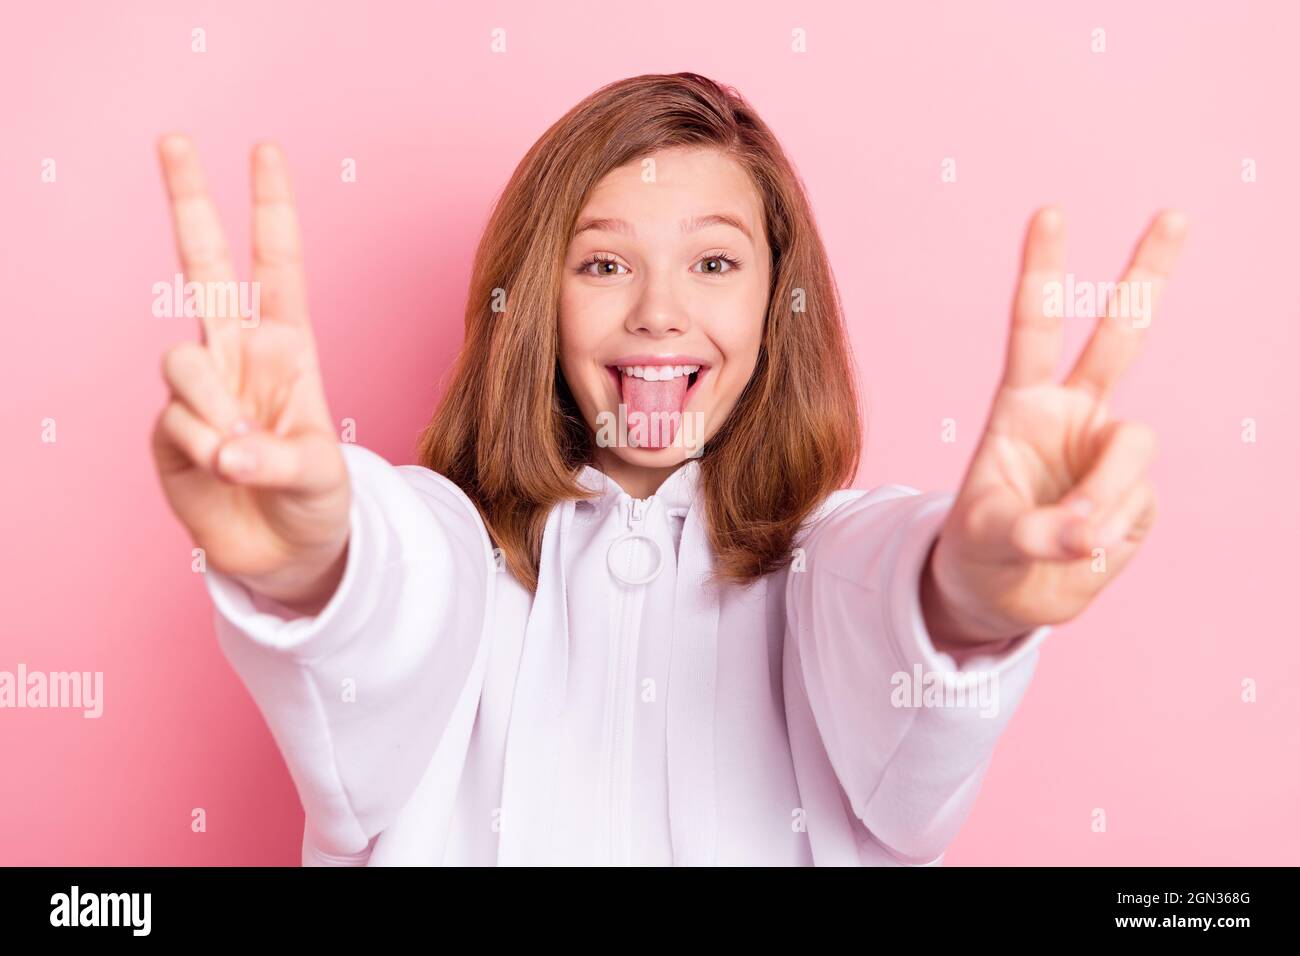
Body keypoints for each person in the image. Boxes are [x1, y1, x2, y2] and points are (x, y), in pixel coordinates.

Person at [151, 72, 1186, 865]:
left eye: (714, 261)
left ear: (780, 306)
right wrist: (311, 557)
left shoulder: (827, 567)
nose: (657, 309)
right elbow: (393, 584)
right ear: (534, 304)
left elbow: (891, 602)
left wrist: (967, 597)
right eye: (602, 262)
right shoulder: (455, 551)